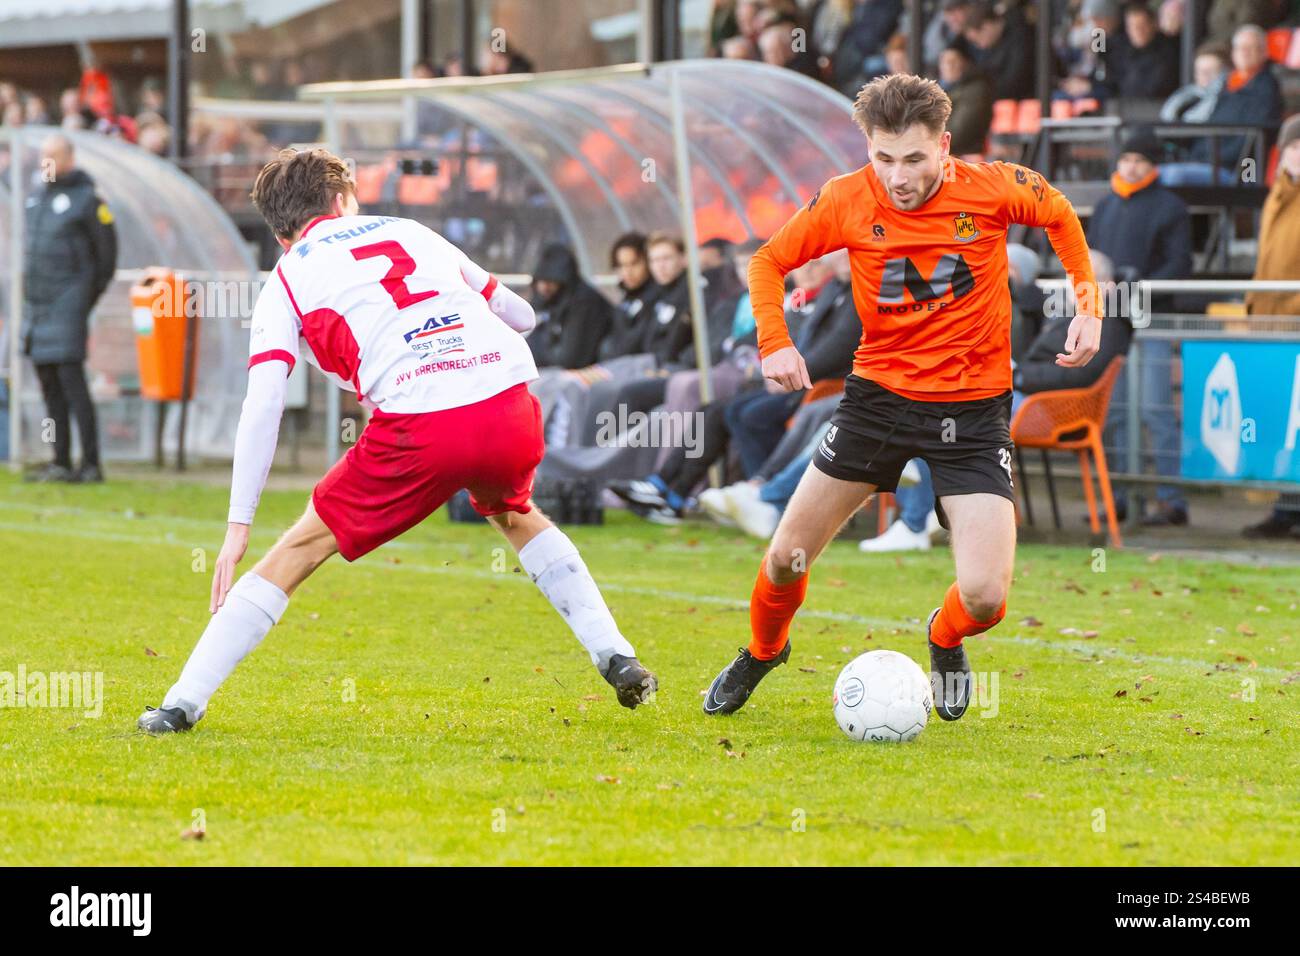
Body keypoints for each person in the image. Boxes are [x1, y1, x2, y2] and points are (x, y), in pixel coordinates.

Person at [136, 148, 657, 734]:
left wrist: (237, 526)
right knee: (514, 513)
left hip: (424, 420)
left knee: (298, 549)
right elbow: (523, 315)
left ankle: (181, 704)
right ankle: (616, 654)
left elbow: (264, 401)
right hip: (508, 402)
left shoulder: (286, 277)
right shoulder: (410, 229)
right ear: (340, 201)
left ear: (282, 233)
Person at [701, 73, 1101, 721]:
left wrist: (1089, 304)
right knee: (785, 558)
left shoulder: (991, 187)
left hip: (973, 414)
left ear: (945, 146)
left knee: (985, 598)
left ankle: (942, 639)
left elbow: (1056, 210)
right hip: (878, 402)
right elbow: (768, 261)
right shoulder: (846, 199)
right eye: (883, 158)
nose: (898, 176)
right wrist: (776, 341)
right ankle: (763, 649)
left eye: (914, 158)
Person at [1087, 127, 1192, 525]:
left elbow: (1180, 265)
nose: (1131, 167)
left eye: (1139, 161)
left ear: (1152, 166)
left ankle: (1172, 501)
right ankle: (1120, 498)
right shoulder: (1105, 206)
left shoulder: (1170, 208)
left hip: (1149, 320)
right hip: (1113, 322)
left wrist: (1137, 283)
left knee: (1155, 410)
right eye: (1126, 159)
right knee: (1114, 411)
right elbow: (1091, 256)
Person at [21, 134, 117, 484]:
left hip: (68, 305)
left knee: (72, 384)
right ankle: (58, 459)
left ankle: (90, 463)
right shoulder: (36, 198)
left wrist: (82, 298)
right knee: (48, 388)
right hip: (38, 306)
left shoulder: (88, 200)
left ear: (68, 159)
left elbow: (106, 258)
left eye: (52, 157)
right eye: (42, 157)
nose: (45, 164)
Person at [1242, 115, 1300, 539]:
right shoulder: (1277, 195)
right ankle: (1285, 507)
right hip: (1272, 326)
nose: (1297, 155)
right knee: (1281, 421)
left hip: (1292, 321)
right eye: (1293, 147)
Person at [1160, 25, 1282, 186]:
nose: (1245, 52)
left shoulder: (1267, 88)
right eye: (1240, 48)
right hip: (1205, 161)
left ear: (1264, 52)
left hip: (1239, 170)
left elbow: (1251, 144)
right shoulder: (1223, 85)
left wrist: (1242, 176)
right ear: (1233, 53)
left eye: (1252, 47)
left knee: (1173, 176)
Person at [527, 244, 612, 370]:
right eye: (541, 280)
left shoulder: (584, 302)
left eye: (550, 280)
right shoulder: (552, 302)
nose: (544, 287)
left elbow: (571, 359)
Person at [1159, 44, 1230, 123]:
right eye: (1199, 71)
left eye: (1211, 71)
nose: (1204, 75)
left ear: (1225, 72)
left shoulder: (1227, 101)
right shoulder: (1184, 95)